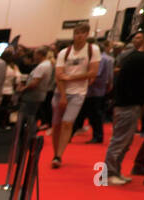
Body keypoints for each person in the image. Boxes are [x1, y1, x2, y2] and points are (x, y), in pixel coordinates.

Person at [51, 22, 100, 167]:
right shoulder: (64, 52)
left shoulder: (93, 50)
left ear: (87, 34)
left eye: (82, 33)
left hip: (78, 92)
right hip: (61, 92)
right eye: (77, 33)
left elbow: (93, 73)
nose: (79, 36)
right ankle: (56, 153)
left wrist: (71, 78)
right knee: (56, 125)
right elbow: (59, 75)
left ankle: (58, 155)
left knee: (67, 122)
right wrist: (64, 95)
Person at [107, 39, 144, 184]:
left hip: (125, 104)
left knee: (124, 141)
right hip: (128, 105)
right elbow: (142, 84)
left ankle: (115, 171)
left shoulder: (133, 57)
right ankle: (109, 173)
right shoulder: (142, 59)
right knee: (120, 141)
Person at [77, 41, 114, 144]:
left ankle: (98, 136)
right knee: (95, 114)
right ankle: (97, 135)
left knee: (94, 114)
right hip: (100, 89)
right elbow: (110, 76)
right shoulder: (107, 58)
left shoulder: (100, 59)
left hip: (94, 90)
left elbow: (94, 75)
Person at [19, 46, 54, 131]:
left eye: (35, 54)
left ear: (39, 54)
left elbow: (35, 83)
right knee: (32, 115)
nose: (33, 56)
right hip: (39, 94)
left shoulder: (42, 66)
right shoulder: (48, 64)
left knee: (29, 116)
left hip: (33, 95)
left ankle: (29, 135)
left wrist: (23, 89)